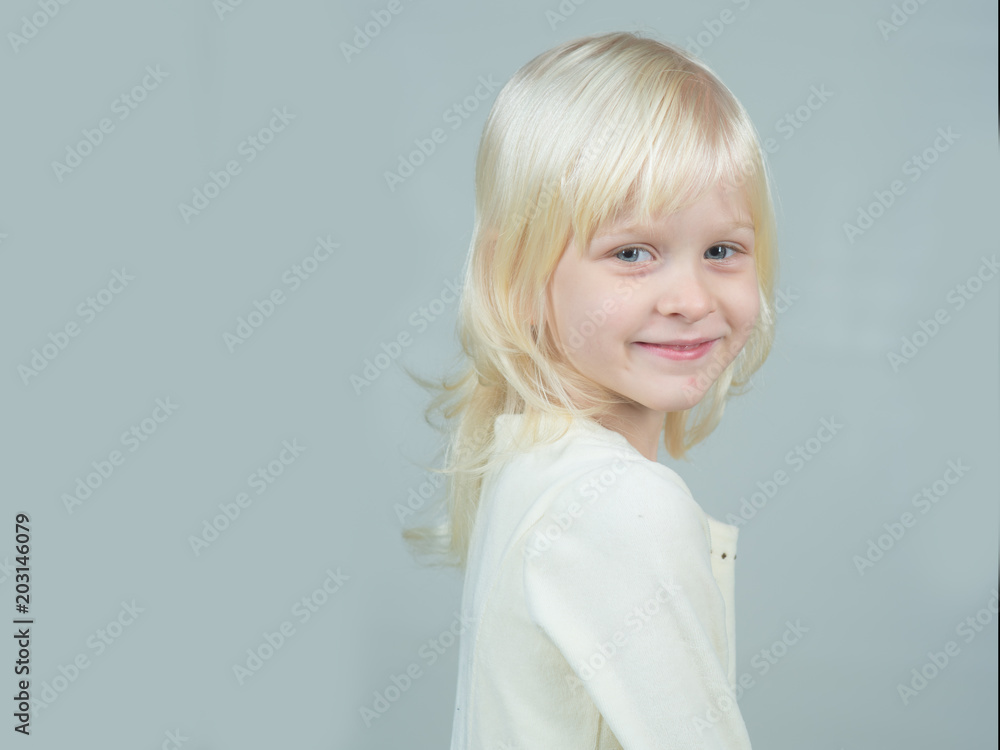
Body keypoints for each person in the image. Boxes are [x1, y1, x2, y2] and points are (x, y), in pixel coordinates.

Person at [403, 30, 778, 749]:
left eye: (721, 251)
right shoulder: (617, 504)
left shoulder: (530, 463)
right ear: (518, 275)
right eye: (632, 253)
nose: (690, 297)